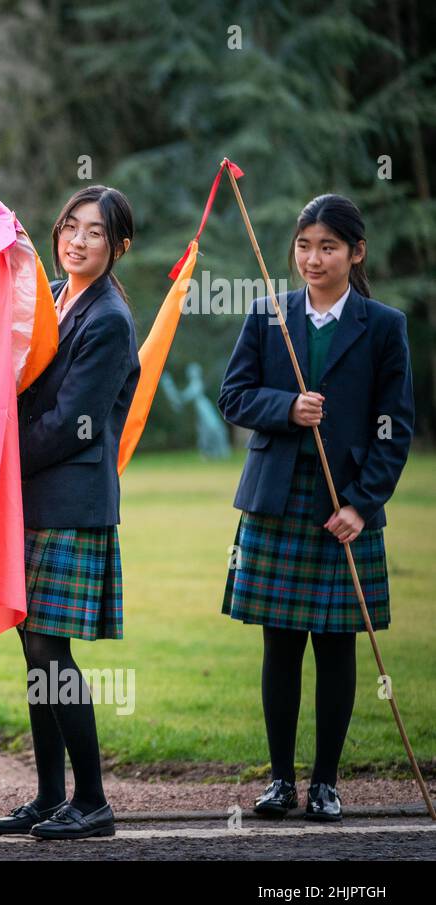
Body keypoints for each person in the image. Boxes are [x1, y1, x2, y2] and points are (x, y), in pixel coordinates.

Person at [218, 193, 413, 822]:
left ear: (356, 253)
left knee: (335, 645)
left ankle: (326, 783)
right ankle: (280, 780)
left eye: (328, 246)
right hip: (276, 501)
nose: (313, 258)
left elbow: (393, 427)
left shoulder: (384, 326)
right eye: (304, 245)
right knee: (280, 646)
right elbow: (234, 397)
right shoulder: (266, 315)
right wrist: (286, 407)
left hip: (341, 507)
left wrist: (362, 503)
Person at [0, 185, 138, 840]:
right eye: (70, 226)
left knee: (51, 651)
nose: (77, 240)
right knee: (34, 648)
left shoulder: (108, 319)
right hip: (33, 497)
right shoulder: (50, 297)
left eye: (95, 232)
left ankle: (93, 801)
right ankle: (50, 795)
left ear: (118, 246)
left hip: (70, 502)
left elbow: (75, 423)